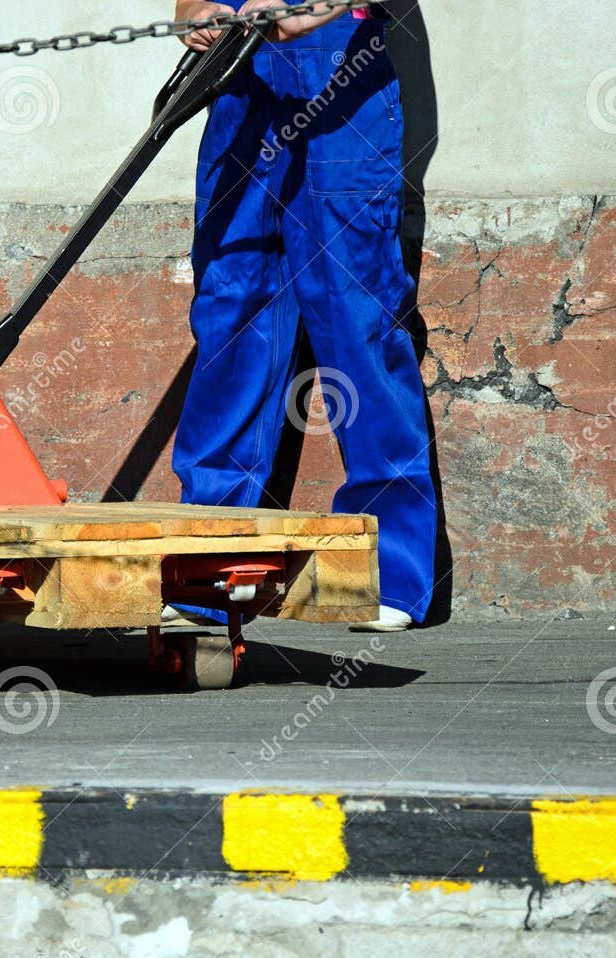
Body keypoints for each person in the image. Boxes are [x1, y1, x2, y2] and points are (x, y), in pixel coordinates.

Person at [168, 1, 442, 632]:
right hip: (240, 86)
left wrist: (308, 10)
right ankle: (212, 566)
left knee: (357, 320)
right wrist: (194, 13)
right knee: (231, 319)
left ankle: (389, 573)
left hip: (344, 80)